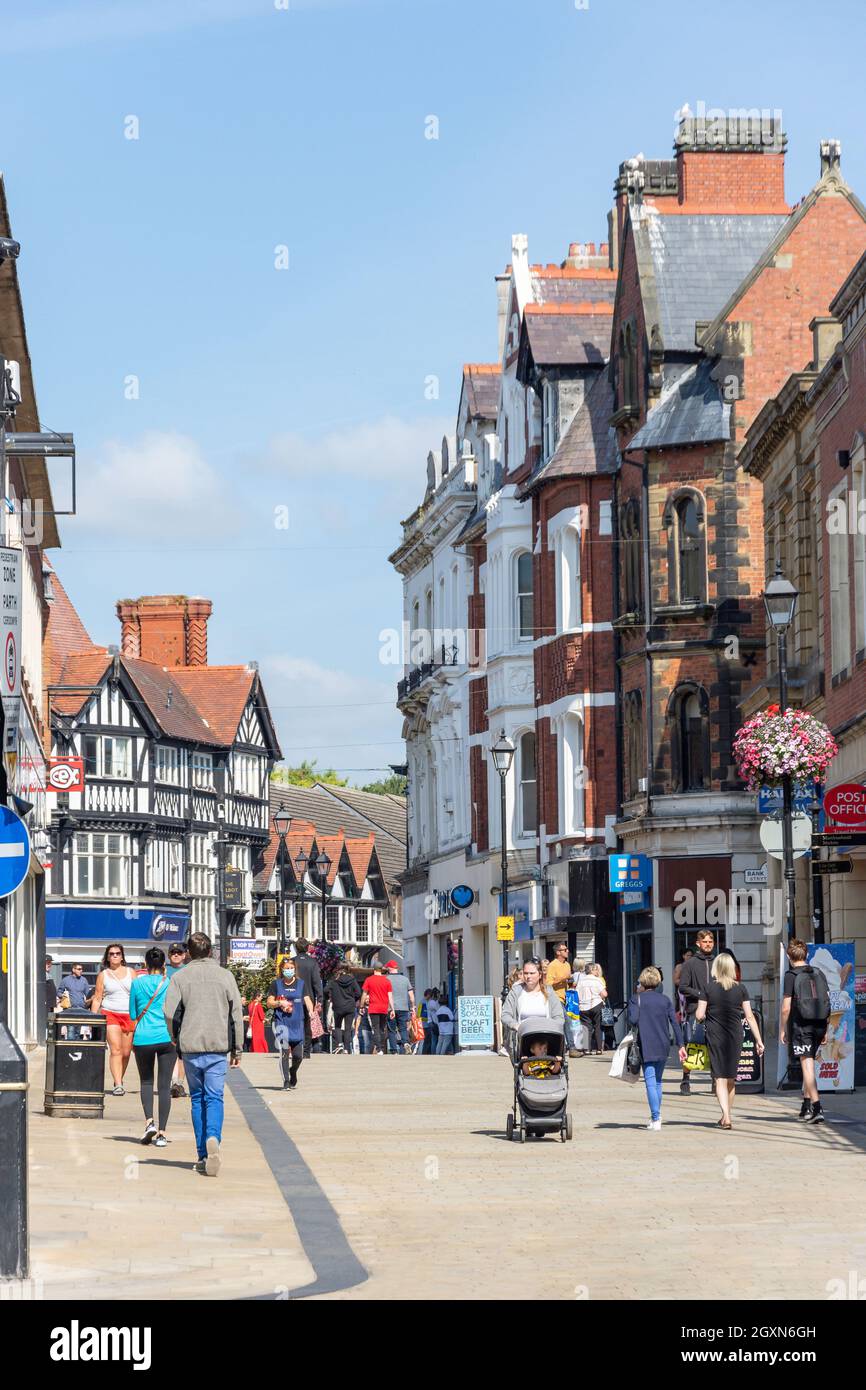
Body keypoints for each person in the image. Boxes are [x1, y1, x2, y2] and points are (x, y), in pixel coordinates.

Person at [163, 932, 244, 1177]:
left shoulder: (181, 977)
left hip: (191, 1046)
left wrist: (175, 1035)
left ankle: (201, 1154)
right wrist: (237, 1048)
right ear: (210, 952)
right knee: (215, 1097)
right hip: (218, 1046)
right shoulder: (225, 976)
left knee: (197, 1098)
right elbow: (236, 1014)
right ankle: (213, 1138)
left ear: (188, 953)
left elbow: (169, 1012)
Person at [695, 952, 764, 1130]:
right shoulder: (741, 989)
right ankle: (727, 1115)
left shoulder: (708, 988)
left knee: (719, 1078)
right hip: (735, 1035)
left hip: (715, 1035)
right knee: (731, 1078)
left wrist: (704, 1016)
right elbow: (749, 1016)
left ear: (716, 968)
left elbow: (699, 1015)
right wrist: (758, 1040)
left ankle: (726, 1117)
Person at [628, 967, 687, 1130]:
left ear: (642, 982)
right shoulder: (665, 1000)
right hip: (663, 1043)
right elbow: (675, 1024)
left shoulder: (636, 999)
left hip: (645, 1043)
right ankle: (656, 1115)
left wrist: (637, 1002)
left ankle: (656, 1118)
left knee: (650, 1082)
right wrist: (681, 1045)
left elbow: (632, 1020)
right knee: (658, 1082)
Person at [129, 947, 176, 1147]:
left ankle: (149, 1123)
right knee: (164, 1086)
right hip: (166, 1037)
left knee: (146, 1082)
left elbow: (132, 1014)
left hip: (143, 1038)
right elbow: (174, 1011)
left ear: (146, 965)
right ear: (163, 965)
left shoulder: (137, 983)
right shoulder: (169, 983)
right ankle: (163, 1134)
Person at [780, 938, 830, 1125]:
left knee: (807, 1067)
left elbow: (786, 1008)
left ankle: (817, 1107)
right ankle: (806, 1105)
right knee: (809, 1066)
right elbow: (826, 1000)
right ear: (807, 954)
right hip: (819, 1024)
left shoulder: (791, 976)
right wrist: (825, 1028)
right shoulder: (819, 972)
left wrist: (782, 1030)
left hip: (801, 1025)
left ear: (788, 956)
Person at [91, 944, 137, 1096]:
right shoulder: (103, 975)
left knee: (125, 1052)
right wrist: (92, 1021)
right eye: (111, 954)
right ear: (107, 957)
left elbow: (137, 997)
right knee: (115, 1050)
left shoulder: (131, 972)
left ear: (122, 956)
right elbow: (97, 998)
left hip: (129, 1015)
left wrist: (138, 1017)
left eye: (118, 953)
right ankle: (118, 1083)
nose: (115, 956)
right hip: (110, 1013)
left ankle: (120, 1079)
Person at [677, 928, 717, 1094]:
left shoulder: (718, 962)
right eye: (705, 942)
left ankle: (715, 1080)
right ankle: (686, 1079)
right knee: (692, 1044)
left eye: (710, 942)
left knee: (715, 1046)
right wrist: (701, 994)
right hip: (695, 1010)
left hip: (715, 1010)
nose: (708, 945)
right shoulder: (690, 964)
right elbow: (683, 987)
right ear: (698, 943)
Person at [501, 959, 564, 1057]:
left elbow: (559, 1017)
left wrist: (553, 1028)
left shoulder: (549, 992)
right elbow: (505, 1015)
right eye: (525, 973)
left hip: (546, 1035)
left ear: (539, 975)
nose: (528, 976)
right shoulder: (516, 991)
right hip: (524, 1038)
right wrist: (515, 1025)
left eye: (532, 973)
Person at [267, 958, 314, 1089]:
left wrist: (311, 1011)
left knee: (299, 1056)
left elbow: (307, 999)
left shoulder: (301, 984)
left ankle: (293, 1071)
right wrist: (279, 1003)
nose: (289, 971)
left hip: (297, 1024)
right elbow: (269, 1002)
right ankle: (286, 1081)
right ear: (282, 970)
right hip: (281, 1023)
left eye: (291, 968)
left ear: (294, 970)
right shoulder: (276, 984)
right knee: (284, 1052)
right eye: (286, 968)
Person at [292, 939, 324, 1058]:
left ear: (296, 948)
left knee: (294, 1025)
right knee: (307, 1026)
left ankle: (296, 1050)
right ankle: (306, 1052)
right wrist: (319, 999)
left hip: (293, 997)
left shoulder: (292, 962)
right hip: (308, 999)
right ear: (307, 948)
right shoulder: (313, 963)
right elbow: (317, 982)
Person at [166, 942, 189, 1097]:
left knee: (183, 1052)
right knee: (169, 1051)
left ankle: (179, 1083)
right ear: (168, 955)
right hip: (166, 1015)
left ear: (184, 954)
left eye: (179, 952)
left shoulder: (188, 971)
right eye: (173, 952)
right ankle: (170, 1081)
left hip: (185, 1015)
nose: (176, 954)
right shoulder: (163, 971)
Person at [326, 964, 362, 1055]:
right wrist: (354, 1000)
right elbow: (358, 993)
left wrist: (331, 997)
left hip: (338, 1006)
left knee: (337, 1026)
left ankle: (339, 1044)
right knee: (348, 1028)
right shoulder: (352, 980)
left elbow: (325, 990)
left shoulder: (334, 981)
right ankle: (346, 1049)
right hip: (349, 1006)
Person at [361, 963, 394, 1055]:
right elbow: (390, 996)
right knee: (382, 1029)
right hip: (384, 1008)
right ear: (381, 970)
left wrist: (361, 1005)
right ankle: (382, 1048)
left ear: (374, 969)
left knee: (375, 1028)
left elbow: (364, 994)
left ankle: (379, 1049)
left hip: (373, 1008)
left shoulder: (369, 980)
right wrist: (392, 1009)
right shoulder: (387, 981)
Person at [577, 962, 607, 1056]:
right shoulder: (597, 980)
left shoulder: (581, 981)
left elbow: (577, 994)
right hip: (596, 1004)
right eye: (595, 969)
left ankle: (587, 1049)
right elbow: (604, 994)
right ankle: (598, 1049)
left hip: (583, 1007)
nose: (597, 971)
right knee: (598, 1026)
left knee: (586, 1028)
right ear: (592, 970)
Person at [386, 962, 416, 1054]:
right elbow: (411, 996)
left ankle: (394, 1050)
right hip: (404, 1008)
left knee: (391, 1030)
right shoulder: (405, 979)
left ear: (390, 968)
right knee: (403, 1028)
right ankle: (406, 1043)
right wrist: (412, 1007)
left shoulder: (386, 979)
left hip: (391, 1008)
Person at [546, 942, 573, 1014]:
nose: (567, 951)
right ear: (558, 952)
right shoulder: (552, 965)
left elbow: (568, 981)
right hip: (557, 998)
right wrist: (562, 979)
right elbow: (548, 984)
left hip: (567, 998)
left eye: (567, 949)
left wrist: (572, 983)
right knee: (567, 1021)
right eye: (565, 950)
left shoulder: (567, 964)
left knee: (570, 1021)